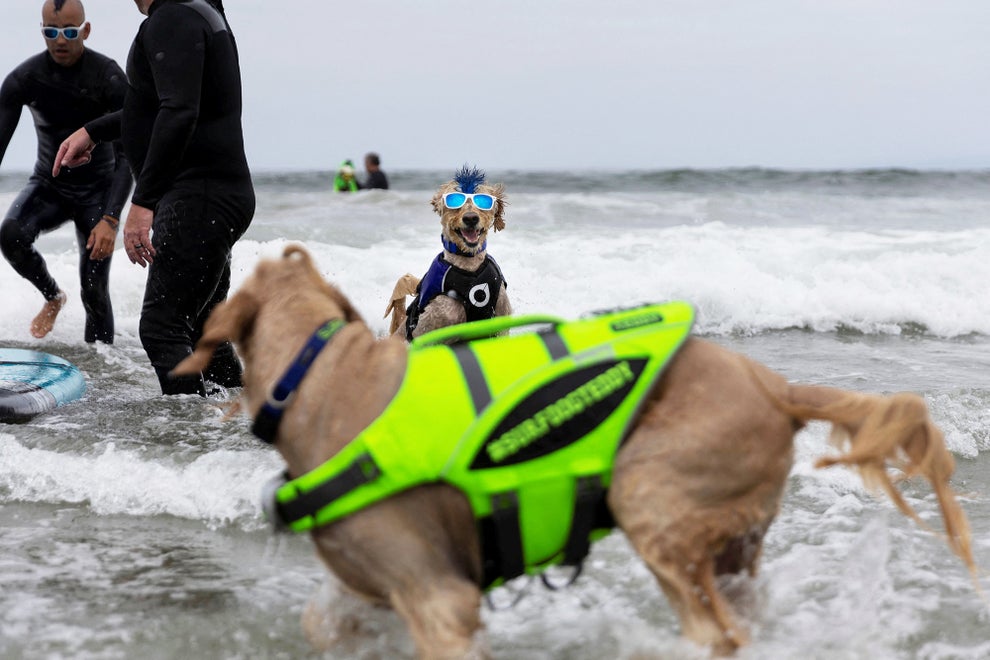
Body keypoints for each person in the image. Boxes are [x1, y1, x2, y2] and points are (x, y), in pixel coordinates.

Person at [54, 0, 254, 396]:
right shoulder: (198, 12)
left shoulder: (172, 17)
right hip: (217, 195)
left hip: (198, 197)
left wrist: (143, 202)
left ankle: (189, 432)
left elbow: (179, 111)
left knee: (163, 328)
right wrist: (94, 131)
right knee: (203, 331)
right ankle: (240, 418)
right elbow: (160, 107)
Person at [0, 0, 132, 343]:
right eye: (51, 31)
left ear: (85, 31)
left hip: (98, 192)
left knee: (94, 289)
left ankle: (102, 368)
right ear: (42, 31)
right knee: (11, 234)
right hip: (50, 185)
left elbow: (128, 157)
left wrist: (111, 218)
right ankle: (53, 296)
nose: (60, 40)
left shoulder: (109, 78)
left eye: (70, 32)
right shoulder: (25, 79)